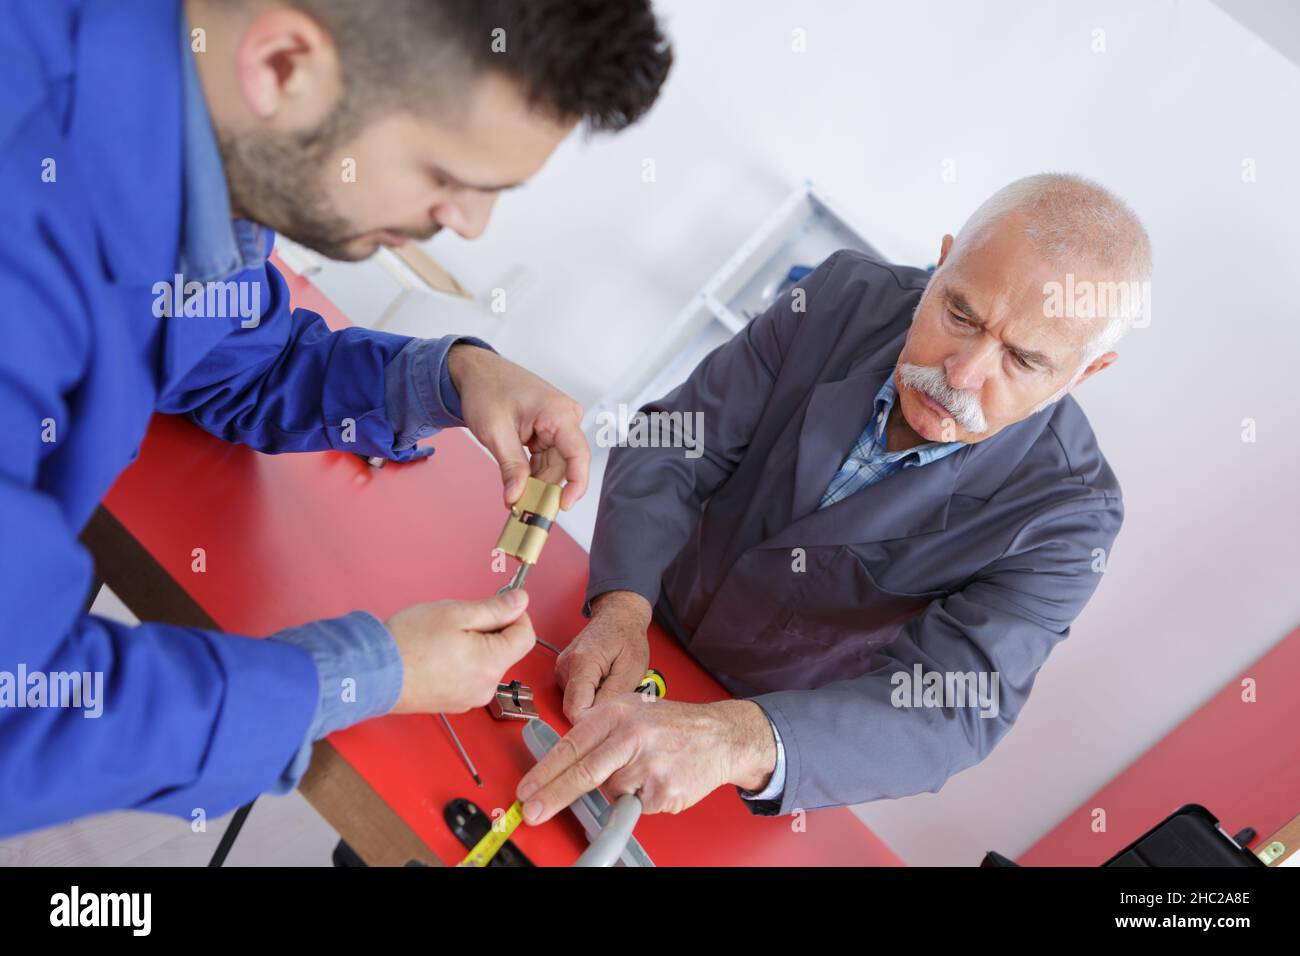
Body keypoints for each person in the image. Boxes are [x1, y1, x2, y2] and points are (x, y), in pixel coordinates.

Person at [0, 0, 671, 836]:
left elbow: (239, 358)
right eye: (449, 177)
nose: (468, 224)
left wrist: (455, 376)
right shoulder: (26, 197)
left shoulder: (197, 137)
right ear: (282, 63)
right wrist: (367, 672)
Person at [517, 173, 1151, 821]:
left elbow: (949, 708)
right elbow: (678, 444)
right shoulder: (839, 296)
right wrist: (623, 605)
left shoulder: (1070, 517)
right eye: (959, 314)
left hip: (761, 748)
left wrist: (735, 739)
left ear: (1085, 372)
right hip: (627, 623)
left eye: (1021, 360)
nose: (961, 373)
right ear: (942, 261)